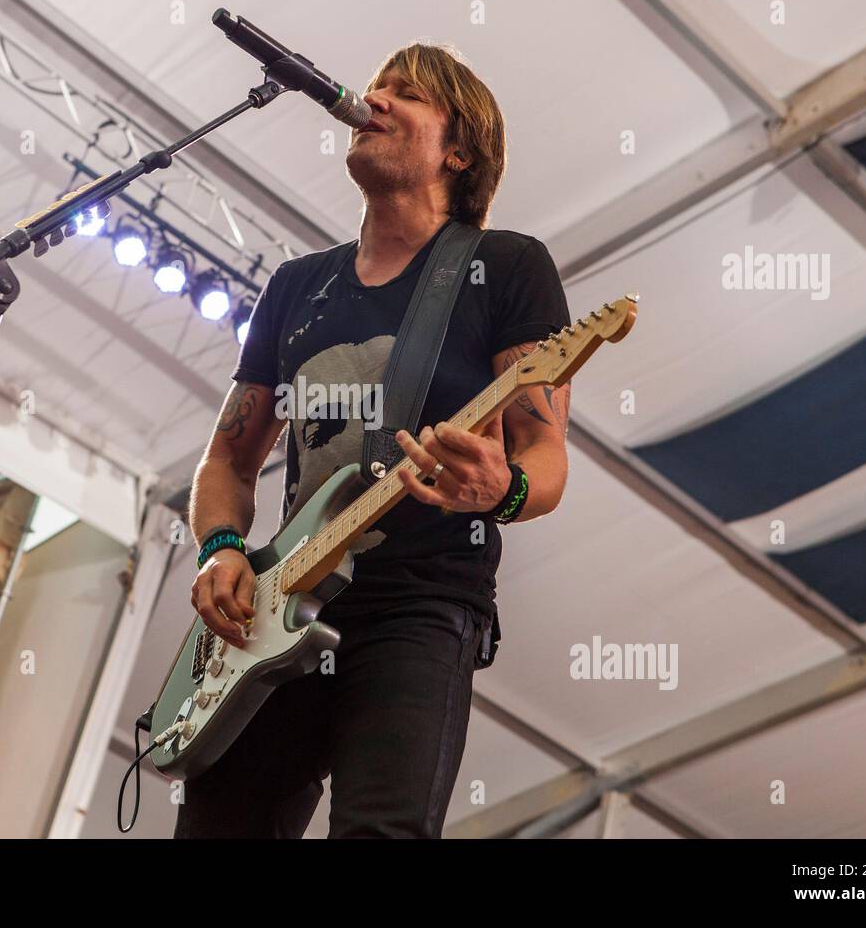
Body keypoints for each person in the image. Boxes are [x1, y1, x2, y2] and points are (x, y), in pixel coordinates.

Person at [176, 42, 571, 838]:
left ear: (458, 149)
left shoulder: (508, 267)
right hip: (281, 602)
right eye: (376, 87)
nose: (374, 99)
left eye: (407, 95)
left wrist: (504, 490)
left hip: (419, 607)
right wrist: (222, 548)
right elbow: (230, 456)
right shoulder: (296, 286)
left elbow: (545, 454)